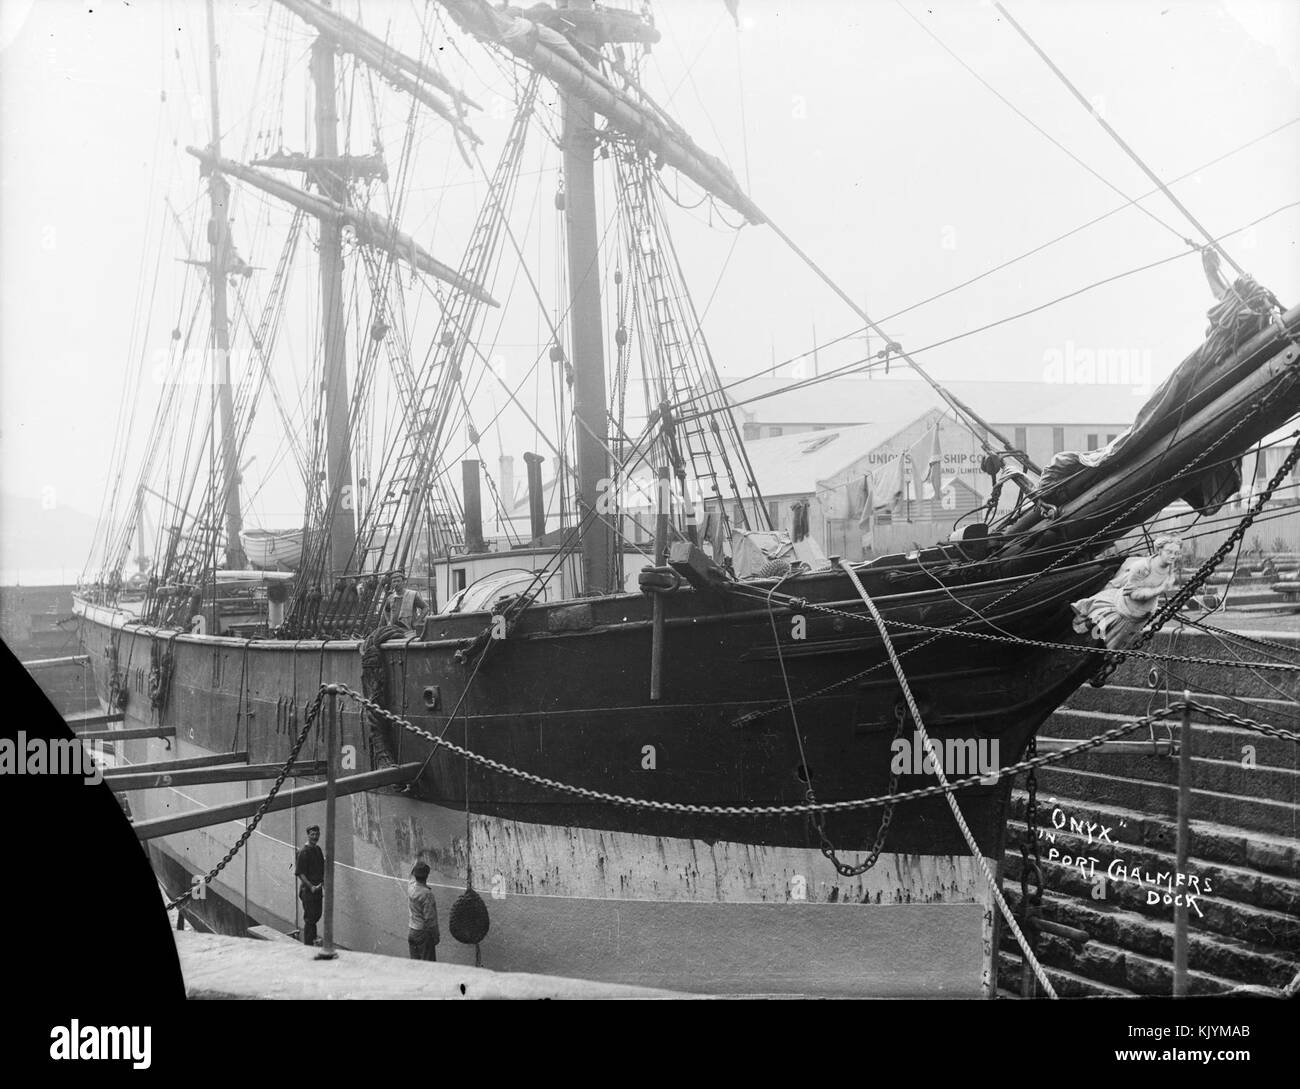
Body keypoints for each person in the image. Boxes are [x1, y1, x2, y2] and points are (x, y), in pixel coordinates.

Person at [1071, 536, 1181, 650]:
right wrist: (1159, 589)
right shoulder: (1142, 567)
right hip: (1118, 611)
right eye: (1169, 552)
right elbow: (1133, 593)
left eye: (1176, 553)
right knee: (1096, 634)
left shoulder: (1169, 568)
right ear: (1159, 550)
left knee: (1113, 649)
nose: (1173, 556)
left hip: (1137, 617)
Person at [295, 825, 325, 946]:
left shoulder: (318, 850)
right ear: (308, 835)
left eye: (317, 834)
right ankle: (308, 945)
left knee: (316, 916)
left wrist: (323, 884)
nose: (315, 837)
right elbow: (300, 873)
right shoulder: (303, 852)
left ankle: (312, 941)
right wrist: (311, 886)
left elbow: (321, 868)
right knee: (310, 919)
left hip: (317, 890)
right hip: (308, 891)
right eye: (312, 834)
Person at [407, 861, 440, 961]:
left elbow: (411, 876)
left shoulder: (411, 887)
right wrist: (436, 935)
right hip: (423, 934)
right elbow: (430, 919)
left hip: (412, 931)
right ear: (427, 876)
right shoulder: (427, 894)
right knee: (428, 965)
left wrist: (416, 863)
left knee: (416, 966)